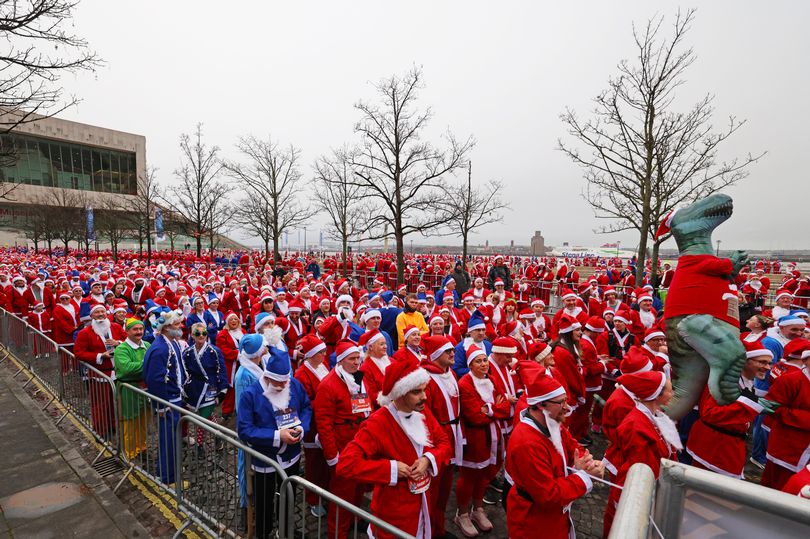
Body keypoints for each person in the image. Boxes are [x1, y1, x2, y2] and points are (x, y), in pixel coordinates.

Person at [338, 359, 452, 539]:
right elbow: (346, 464)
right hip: (393, 514)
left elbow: (444, 443)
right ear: (400, 394)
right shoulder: (378, 423)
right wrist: (391, 469)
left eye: (424, 390)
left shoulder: (422, 411)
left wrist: (428, 459)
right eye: (417, 392)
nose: (424, 396)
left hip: (424, 504)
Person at [505, 370, 603, 539]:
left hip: (550, 514)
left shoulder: (551, 421)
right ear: (541, 405)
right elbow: (548, 495)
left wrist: (585, 461)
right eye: (561, 402)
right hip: (534, 520)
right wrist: (583, 477)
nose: (567, 407)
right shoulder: (527, 443)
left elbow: (572, 444)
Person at [238, 344, 312, 539]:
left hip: (292, 455)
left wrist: (301, 427)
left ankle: (285, 528)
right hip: (266, 460)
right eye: (279, 383)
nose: (284, 386)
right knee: (264, 502)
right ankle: (264, 532)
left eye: (286, 381)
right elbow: (245, 430)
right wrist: (278, 436)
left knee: (288, 495)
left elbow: (306, 407)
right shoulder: (251, 395)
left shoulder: (293, 384)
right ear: (267, 377)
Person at [604, 371, 681, 536]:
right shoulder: (636, 425)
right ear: (656, 396)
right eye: (669, 390)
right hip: (633, 490)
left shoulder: (655, 415)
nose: (672, 394)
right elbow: (642, 469)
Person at [686, 340, 777, 477]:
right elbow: (710, 414)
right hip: (714, 447)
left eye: (769, 363)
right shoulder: (722, 381)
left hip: (728, 446)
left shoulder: (746, 381)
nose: (768, 367)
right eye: (762, 362)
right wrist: (748, 405)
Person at [312, 340, 372, 538]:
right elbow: (324, 424)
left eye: (358, 358)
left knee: (358, 488)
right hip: (342, 448)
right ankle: (337, 531)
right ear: (340, 361)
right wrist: (332, 456)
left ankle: (354, 519)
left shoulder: (360, 379)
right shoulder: (328, 385)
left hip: (360, 445)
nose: (357, 362)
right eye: (352, 359)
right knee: (342, 495)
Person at [454, 345, 510, 538]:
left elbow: (506, 408)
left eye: (485, 360)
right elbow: (474, 416)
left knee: (484, 475)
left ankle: (477, 509)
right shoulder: (464, 384)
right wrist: (496, 408)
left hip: (494, 436)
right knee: (469, 477)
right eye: (478, 361)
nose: (484, 364)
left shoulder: (492, 379)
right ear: (470, 365)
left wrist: (488, 410)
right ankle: (461, 513)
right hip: (474, 438)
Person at [420, 335, 462, 539]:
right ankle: (430, 529)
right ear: (437, 355)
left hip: (452, 435)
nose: (453, 353)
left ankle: (438, 526)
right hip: (438, 441)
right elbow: (425, 416)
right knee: (434, 490)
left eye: (453, 350)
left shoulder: (449, 372)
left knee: (445, 490)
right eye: (448, 351)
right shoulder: (427, 379)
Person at [142, 310, 188, 485]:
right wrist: (161, 405)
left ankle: (169, 469)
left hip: (174, 398)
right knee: (169, 439)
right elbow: (155, 378)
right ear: (167, 327)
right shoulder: (161, 348)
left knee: (172, 438)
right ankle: (168, 477)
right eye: (177, 324)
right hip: (168, 401)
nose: (180, 327)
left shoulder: (171, 343)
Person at [760, 342, 810, 490]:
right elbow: (770, 407)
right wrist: (805, 419)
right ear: (805, 360)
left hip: (806, 453)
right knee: (775, 490)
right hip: (787, 449)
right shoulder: (790, 380)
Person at [74, 303, 125, 436]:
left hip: (118, 371)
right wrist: (100, 355)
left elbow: (128, 340)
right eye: (97, 312)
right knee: (100, 404)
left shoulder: (116, 327)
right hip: (99, 373)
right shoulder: (85, 333)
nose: (101, 314)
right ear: (91, 316)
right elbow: (79, 353)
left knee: (115, 402)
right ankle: (100, 431)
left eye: (103, 311)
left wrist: (118, 342)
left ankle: (112, 425)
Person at [294, 334, 331, 517]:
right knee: (314, 463)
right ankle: (313, 499)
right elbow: (305, 403)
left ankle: (325, 490)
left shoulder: (322, 366)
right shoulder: (302, 374)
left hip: (327, 421)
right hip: (313, 425)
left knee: (326, 460)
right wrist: (328, 401)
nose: (324, 355)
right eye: (320, 352)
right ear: (310, 355)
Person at [233, 333, 267, 518]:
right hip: (250, 426)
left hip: (260, 423)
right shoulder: (244, 374)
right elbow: (242, 406)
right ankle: (247, 503)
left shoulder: (257, 364)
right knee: (245, 463)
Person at [114, 318, 151, 460]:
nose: (139, 332)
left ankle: (141, 447)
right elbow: (126, 368)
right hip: (128, 389)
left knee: (143, 420)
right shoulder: (121, 349)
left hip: (145, 388)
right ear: (127, 331)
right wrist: (147, 364)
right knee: (130, 422)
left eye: (141, 329)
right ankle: (128, 452)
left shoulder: (147, 344)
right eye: (135, 329)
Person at [182, 322, 229, 430]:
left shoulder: (214, 351)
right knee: (208, 417)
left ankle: (199, 445)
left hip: (210, 388)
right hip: (194, 388)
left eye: (204, 333)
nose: (201, 335)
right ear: (192, 335)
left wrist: (223, 390)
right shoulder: (187, 353)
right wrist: (183, 388)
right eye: (197, 333)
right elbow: (184, 372)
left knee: (203, 418)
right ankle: (219, 435)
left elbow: (222, 371)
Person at [216, 311, 244, 422]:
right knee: (230, 388)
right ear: (227, 322)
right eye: (231, 319)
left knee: (242, 386)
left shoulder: (243, 332)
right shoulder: (222, 334)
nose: (234, 321)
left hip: (243, 364)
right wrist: (237, 354)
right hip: (230, 365)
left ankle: (240, 410)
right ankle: (227, 411)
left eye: (235, 319)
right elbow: (222, 349)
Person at [358, 329, 391, 406]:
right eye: (381, 344)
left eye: (385, 344)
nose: (385, 347)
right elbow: (371, 395)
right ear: (371, 347)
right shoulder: (365, 368)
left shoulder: (391, 361)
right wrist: (391, 397)